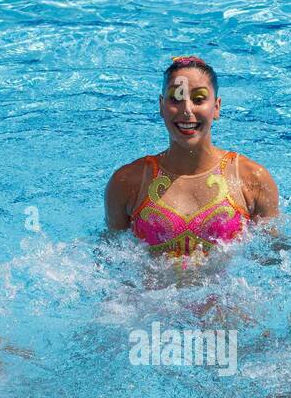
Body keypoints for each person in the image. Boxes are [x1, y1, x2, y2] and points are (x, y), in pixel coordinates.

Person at [105, 56, 278, 258]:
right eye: (175, 99)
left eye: (198, 99)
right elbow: (111, 260)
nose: (187, 110)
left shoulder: (251, 180)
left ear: (216, 107)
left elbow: (274, 258)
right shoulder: (127, 183)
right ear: (161, 106)